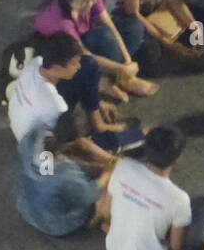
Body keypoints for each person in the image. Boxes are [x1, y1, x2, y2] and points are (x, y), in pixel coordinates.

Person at [101, 125, 204, 250]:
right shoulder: (179, 198)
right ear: (178, 157)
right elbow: (176, 246)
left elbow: (106, 212)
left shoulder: (123, 166)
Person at [7, 33, 131, 166]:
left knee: (88, 65)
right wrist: (113, 162)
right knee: (89, 170)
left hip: (25, 121)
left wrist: (97, 103)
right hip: (39, 153)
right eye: (74, 64)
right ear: (57, 68)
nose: (78, 66)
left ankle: (98, 123)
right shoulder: (55, 105)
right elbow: (74, 139)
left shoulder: (35, 64)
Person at [36, 0, 158, 98]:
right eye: (83, 2)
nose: (89, 5)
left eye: (92, 0)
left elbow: (111, 25)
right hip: (72, 48)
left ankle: (111, 76)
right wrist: (123, 70)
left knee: (134, 25)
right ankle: (118, 79)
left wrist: (128, 61)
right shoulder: (60, 22)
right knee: (103, 36)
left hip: (88, 35)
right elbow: (83, 53)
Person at [16, 111, 114, 237]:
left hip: (27, 208)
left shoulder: (34, 136)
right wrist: (108, 172)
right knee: (108, 192)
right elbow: (89, 195)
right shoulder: (66, 175)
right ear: (73, 141)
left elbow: (47, 167)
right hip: (54, 225)